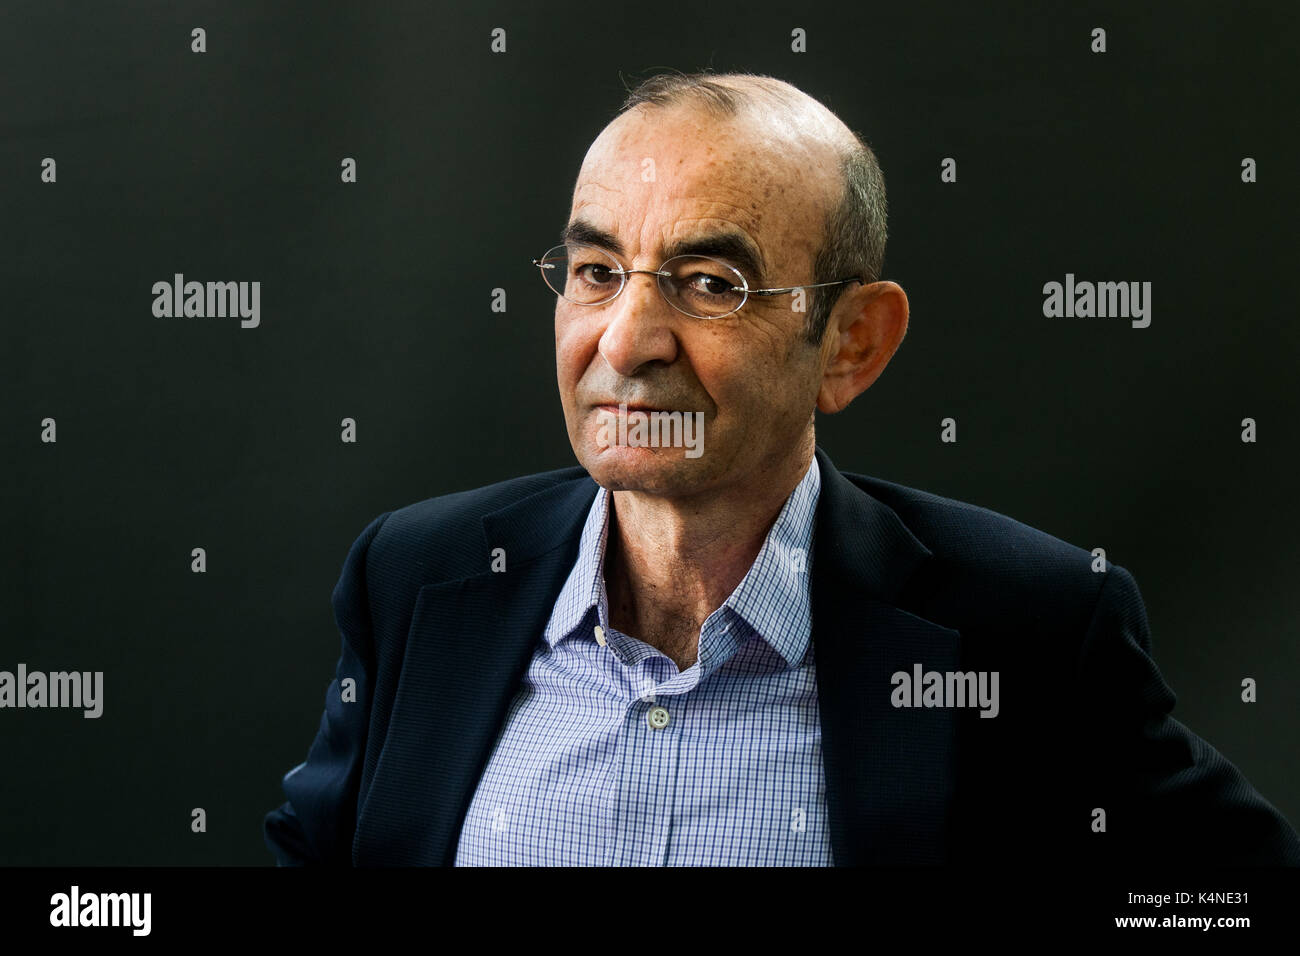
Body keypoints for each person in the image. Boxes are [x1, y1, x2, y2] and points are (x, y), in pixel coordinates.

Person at [263, 71, 1300, 866]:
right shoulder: (418, 579)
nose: (625, 342)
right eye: (596, 272)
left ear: (850, 342)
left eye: (710, 282)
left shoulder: (1028, 629)